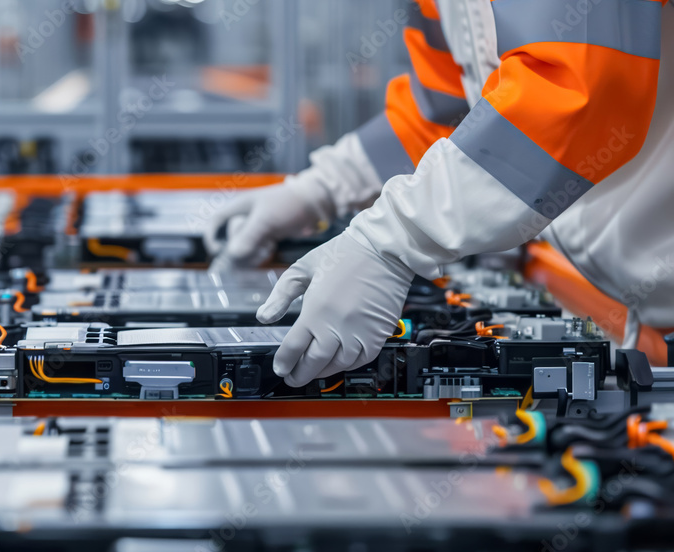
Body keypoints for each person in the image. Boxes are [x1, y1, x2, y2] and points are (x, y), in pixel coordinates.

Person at [206, 0, 673, 387]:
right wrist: (322, 186)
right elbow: (448, 107)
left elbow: (580, 90)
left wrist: (394, 240)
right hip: (612, 290)